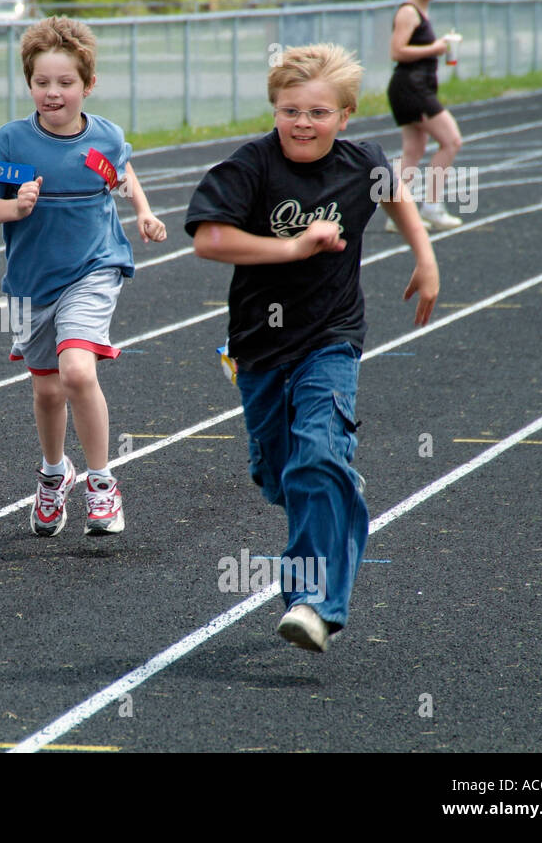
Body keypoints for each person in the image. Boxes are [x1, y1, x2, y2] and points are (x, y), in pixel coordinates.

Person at [186, 43, 440, 653]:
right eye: (290, 110)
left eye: (319, 113)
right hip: (259, 344)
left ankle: (313, 603)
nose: (303, 123)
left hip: (332, 338)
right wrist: (294, 246)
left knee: (318, 458)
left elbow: (394, 194)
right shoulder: (251, 166)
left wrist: (425, 257)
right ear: (274, 110)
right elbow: (210, 239)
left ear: (346, 116)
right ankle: (328, 493)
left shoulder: (364, 160)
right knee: (282, 476)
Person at [0, 16, 167, 538]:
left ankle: (101, 482)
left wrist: (142, 210)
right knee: (48, 391)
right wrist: (15, 208)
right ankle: (54, 475)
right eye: (42, 82)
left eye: (65, 83)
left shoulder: (102, 140)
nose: (53, 92)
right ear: (29, 84)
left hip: (95, 269)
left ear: (88, 86)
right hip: (32, 282)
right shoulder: (10, 147)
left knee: (77, 370)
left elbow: (119, 169)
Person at [385, 0, 465, 232]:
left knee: (413, 151)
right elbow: (397, 51)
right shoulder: (408, 12)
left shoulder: (423, 11)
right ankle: (432, 207)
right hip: (411, 88)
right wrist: (434, 48)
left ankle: (396, 213)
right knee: (451, 141)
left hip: (417, 87)